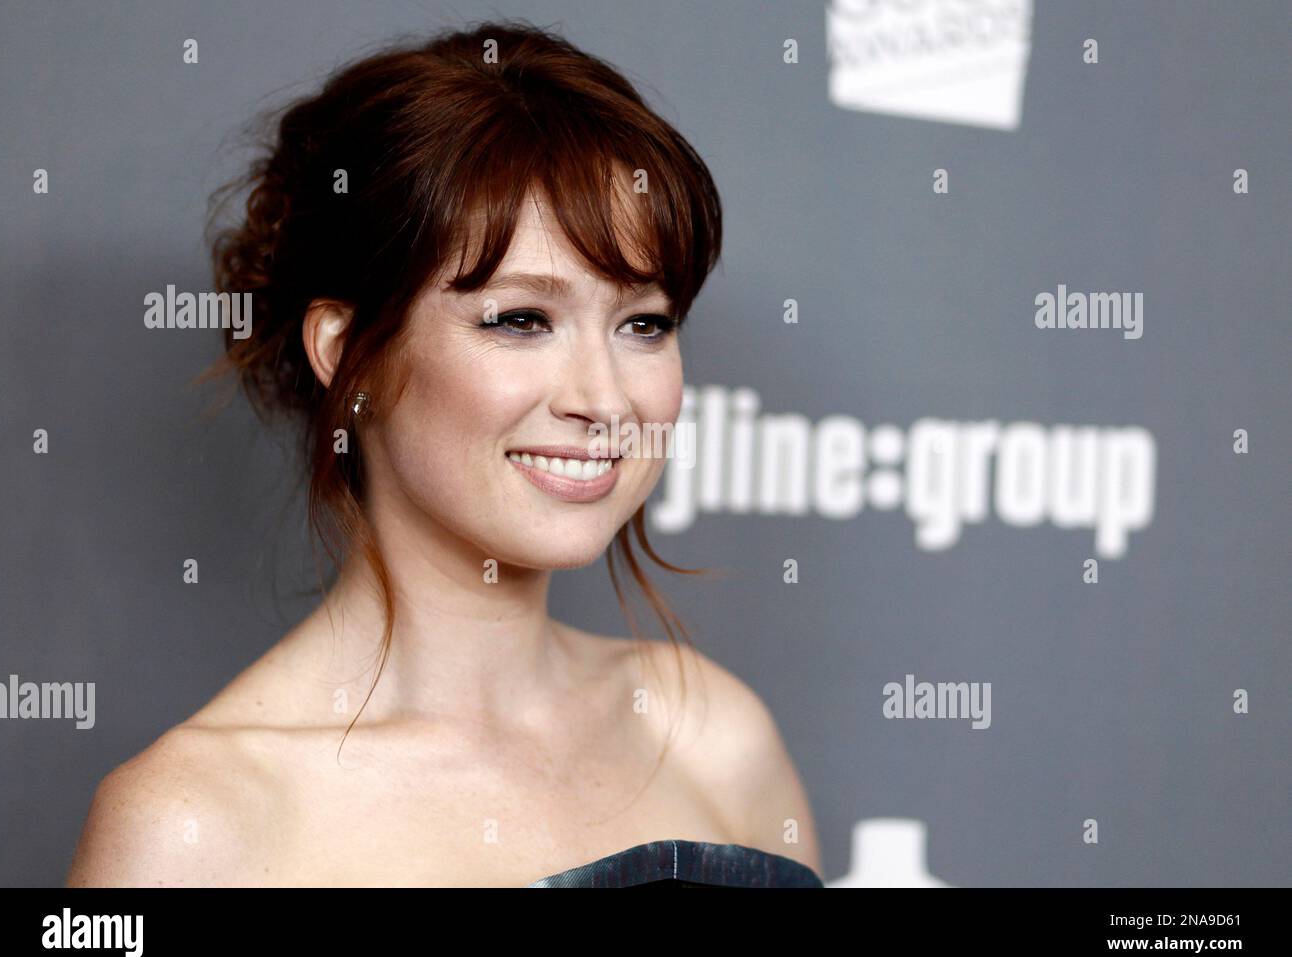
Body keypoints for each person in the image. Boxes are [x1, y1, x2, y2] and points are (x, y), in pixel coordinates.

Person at [66, 20, 823, 887]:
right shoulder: (189, 828)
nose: (606, 399)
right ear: (347, 353)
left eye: (643, 323)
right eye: (520, 320)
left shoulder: (715, 737)